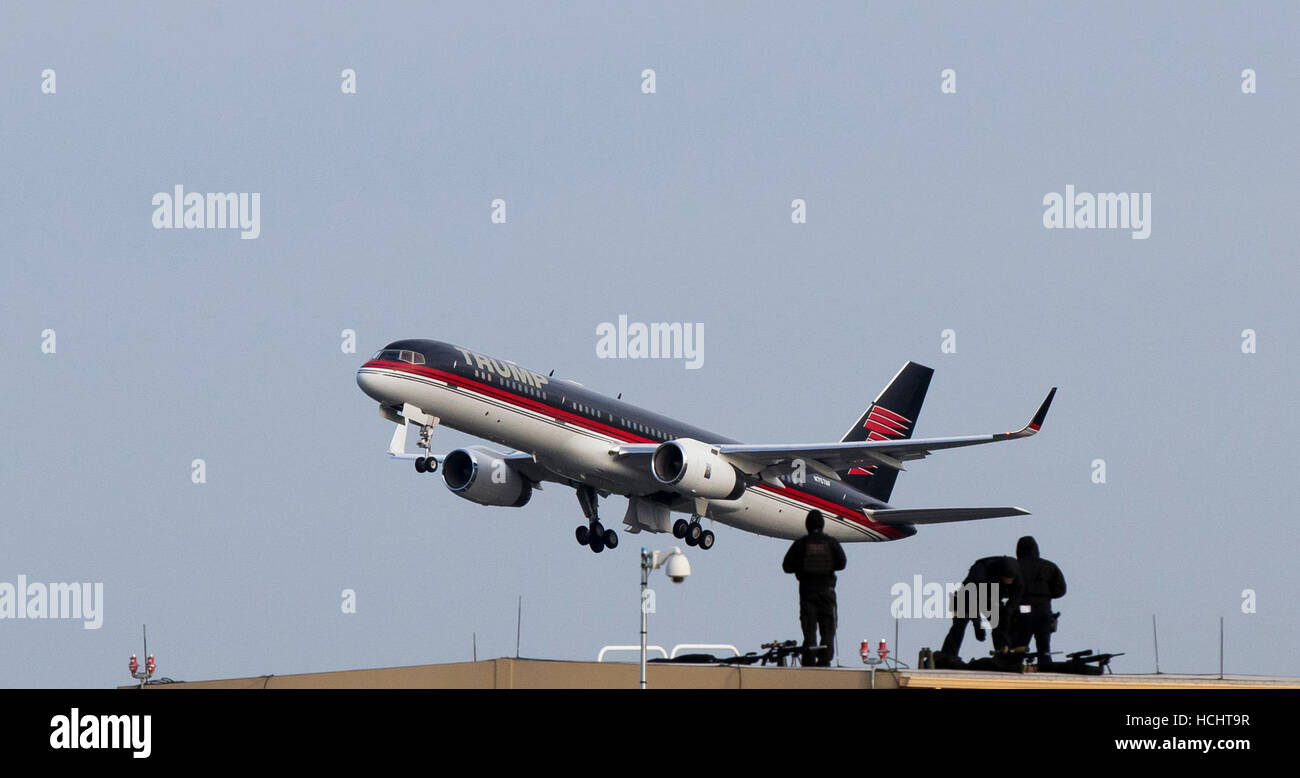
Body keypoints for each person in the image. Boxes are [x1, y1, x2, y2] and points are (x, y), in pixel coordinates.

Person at [782, 510, 847, 667]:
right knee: (828, 630)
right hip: (827, 592)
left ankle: (809, 660)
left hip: (807, 592)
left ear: (807, 525)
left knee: (809, 630)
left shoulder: (801, 544)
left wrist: (802, 569)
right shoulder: (831, 543)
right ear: (822, 525)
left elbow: (786, 566)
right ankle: (825, 660)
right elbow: (842, 563)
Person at [937, 555, 1020, 662]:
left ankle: (1003, 653)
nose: (1009, 582)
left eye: (1011, 579)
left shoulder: (1017, 575)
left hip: (991, 598)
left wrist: (1009, 613)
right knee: (959, 626)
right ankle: (947, 656)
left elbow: (1017, 595)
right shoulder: (980, 570)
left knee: (1001, 623)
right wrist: (977, 623)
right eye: (1006, 579)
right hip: (966, 597)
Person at [1014, 536, 1066, 665]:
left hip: (1023, 610)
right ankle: (1046, 672)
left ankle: (1015, 671)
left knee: (1019, 648)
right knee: (1044, 648)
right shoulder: (1050, 566)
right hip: (1044, 610)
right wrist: (1045, 596)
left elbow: (1004, 589)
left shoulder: (1014, 566)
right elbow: (1061, 590)